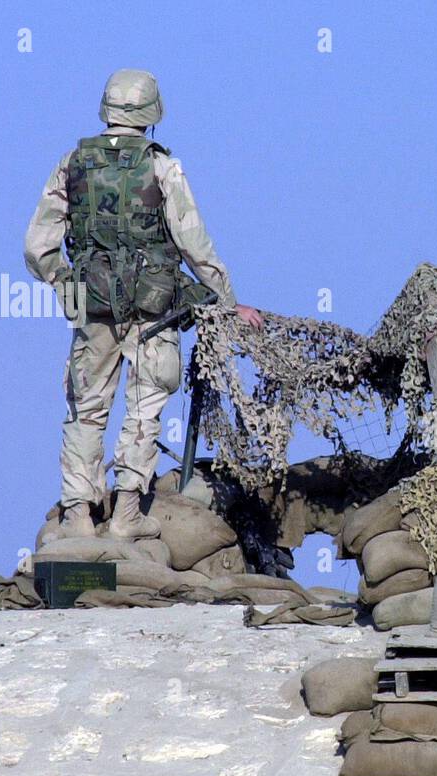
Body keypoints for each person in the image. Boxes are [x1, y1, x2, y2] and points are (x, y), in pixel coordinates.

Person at [24, 69, 262, 540]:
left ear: (106, 108)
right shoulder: (162, 167)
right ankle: (127, 513)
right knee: (144, 407)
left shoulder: (71, 164)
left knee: (86, 410)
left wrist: (69, 288)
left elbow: (37, 247)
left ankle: (77, 515)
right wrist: (230, 303)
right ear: (152, 114)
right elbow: (195, 246)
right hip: (154, 313)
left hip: (92, 309)